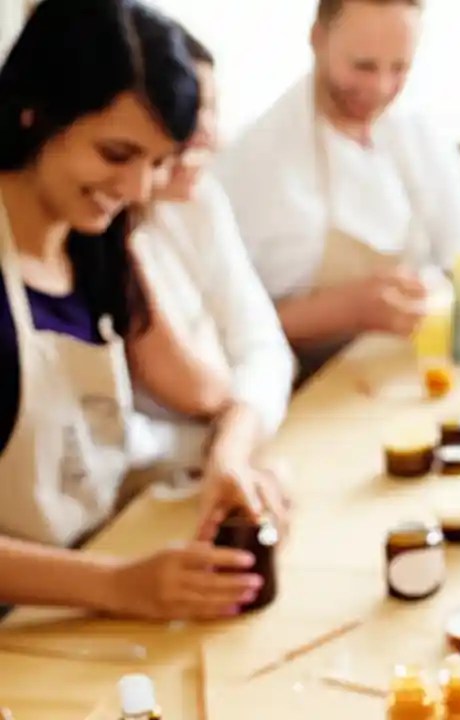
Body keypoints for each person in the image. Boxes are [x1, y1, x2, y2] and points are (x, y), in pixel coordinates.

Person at [0, 0, 269, 622]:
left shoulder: (98, 250)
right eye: (116, 154)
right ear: (34, 111)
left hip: (88, 586)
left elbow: (212, 396)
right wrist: (117, 585)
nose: (138, 189)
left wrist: (231, 459)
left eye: (158, 162)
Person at [218, 0, 460, 383]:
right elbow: (227, 329)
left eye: (399, 68)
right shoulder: (256, 159)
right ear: (317, 38)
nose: (381, 88)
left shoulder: (420, 133)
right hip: (309, 389)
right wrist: (347, 310)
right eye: (363, 66)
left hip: (409, 372)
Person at [128, 29, 295, 522]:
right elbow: (196, 391)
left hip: (216, 468)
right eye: (187, 113)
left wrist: (231, 445)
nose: (208, 137)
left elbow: (265, 348)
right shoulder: (103, 238)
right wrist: (234, 421)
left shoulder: (199, 202)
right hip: (145, 499)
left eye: (212, 111)